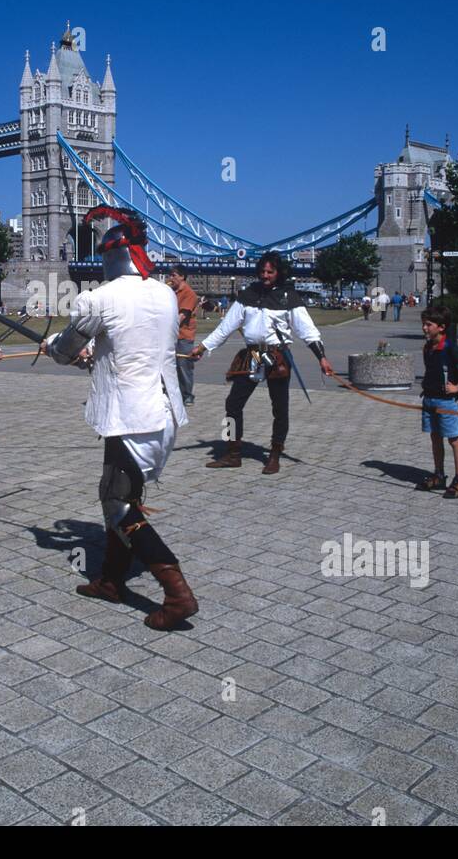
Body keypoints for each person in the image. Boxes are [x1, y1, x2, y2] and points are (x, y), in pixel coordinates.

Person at [47, 207, 197, 630]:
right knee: (127, 498)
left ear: (110, 256)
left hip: (128, 416)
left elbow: (64, 350)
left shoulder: (98, 298)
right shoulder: (165, 293)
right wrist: (92, 358)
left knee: (115, 502)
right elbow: (133, 346)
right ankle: (112, 580)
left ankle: (176, 593)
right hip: (164, 410)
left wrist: (60, 351)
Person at [192, 251, 335, 474]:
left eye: (270, 271)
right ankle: (232, 452)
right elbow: (225, 327)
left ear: (278, 273)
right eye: (262, 271)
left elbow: (308, 331)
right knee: (233, 404)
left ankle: (275, 454)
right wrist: (202, 347)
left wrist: (322, 358)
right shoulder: (248, 294)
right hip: (253, 356)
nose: (265, 275)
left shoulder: (289, 297)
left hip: (278, 357)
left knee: (279, 408)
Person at [416, 305, 458, 499]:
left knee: (454, 439)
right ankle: (439, 474)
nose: (424, 328)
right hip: (430, 399)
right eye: (423, 324)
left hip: (447, 402)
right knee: (435, 437)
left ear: (441, 327)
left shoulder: (451, 348)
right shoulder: (428, 347)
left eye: (429, 324)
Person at [165, 265, 199, 407]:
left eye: (174, 275)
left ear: (182, 277)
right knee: (170, 366)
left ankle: (188, 395)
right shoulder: (170, 291)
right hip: (171, 335)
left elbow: (182, 316)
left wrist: (165, 328)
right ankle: (173, 393)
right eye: (170, 275)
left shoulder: (188, 293)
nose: (170, 278)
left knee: (184, 366)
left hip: (184, 335)